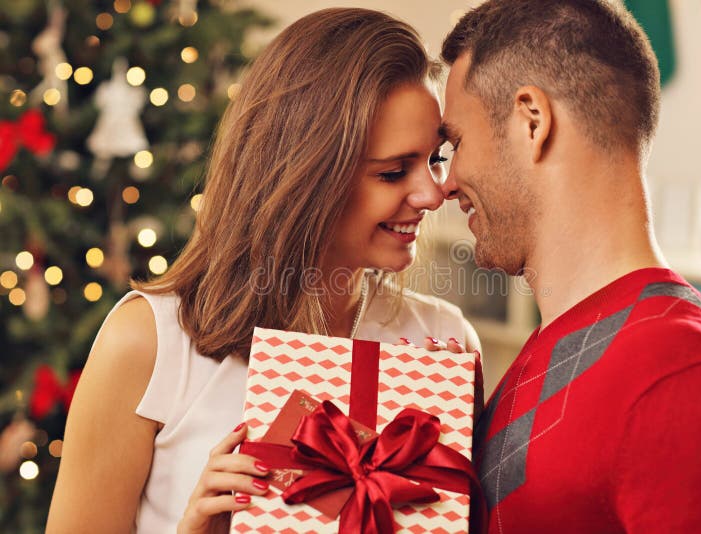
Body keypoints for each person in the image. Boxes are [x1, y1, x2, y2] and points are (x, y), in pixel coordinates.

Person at [46, 8, 480, 533]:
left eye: (435, 159)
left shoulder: (445, 344)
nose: (434, 195)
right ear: (308, 175)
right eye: (393, 172)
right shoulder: (150, 343)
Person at [439, 0, 701, 532]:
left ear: (531, 121)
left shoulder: (685, 377)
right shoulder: (550, 346)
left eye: (457, 143)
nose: (445, 184)